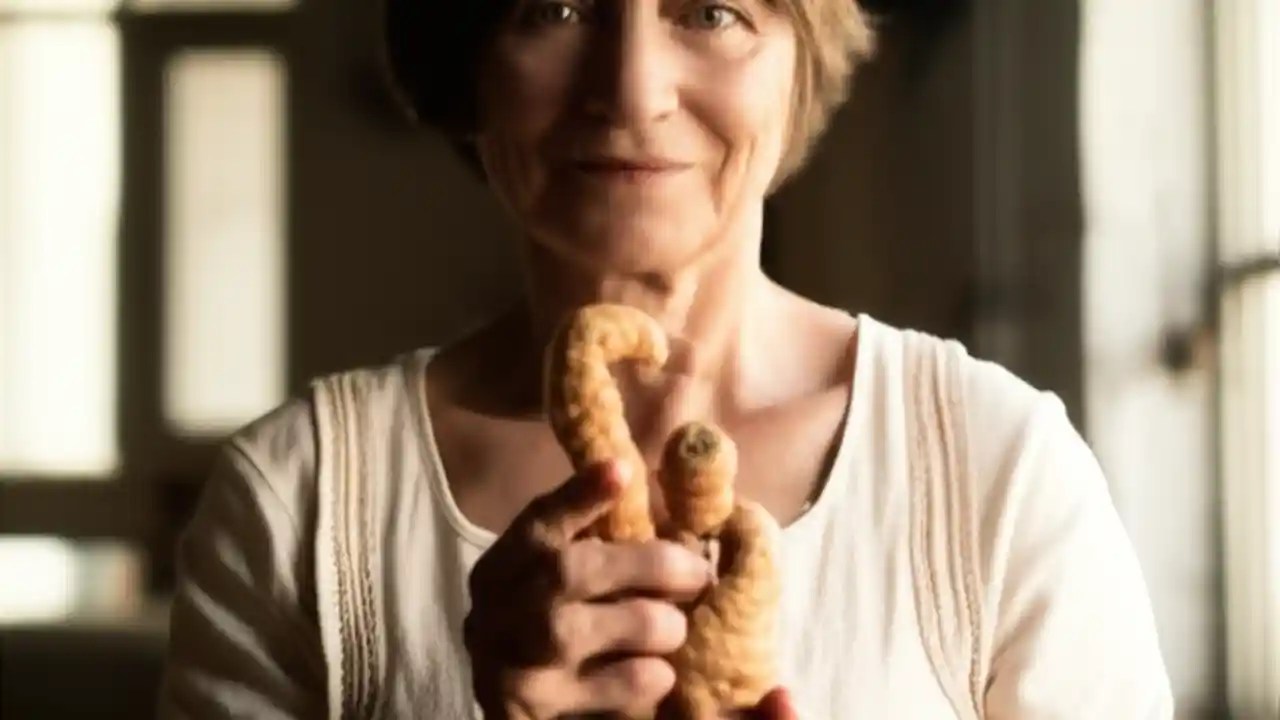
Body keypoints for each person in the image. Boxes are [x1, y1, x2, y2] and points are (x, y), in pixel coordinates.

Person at [158, 1, 1174, 718]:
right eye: (555, 7)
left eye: (711, 10)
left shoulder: (994, 471)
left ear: (799, 57)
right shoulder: (298, 504)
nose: (632, 90)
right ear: (468, 61)